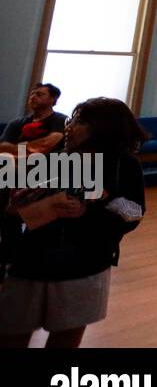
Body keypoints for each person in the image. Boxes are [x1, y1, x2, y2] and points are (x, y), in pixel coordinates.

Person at [0, 97, 147, 348]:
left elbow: (133, 212)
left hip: (85, 263)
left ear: (101, 128)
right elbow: (11, 208)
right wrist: (18, 206)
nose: (69, 127)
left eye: (78, 122)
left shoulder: (124, 166)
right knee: (12, 331)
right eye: (72, 119)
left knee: (66, 336)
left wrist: (87, 213)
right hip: (31, 259)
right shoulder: (54, 158)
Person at [1, 84, 66, 156]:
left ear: (52, 99)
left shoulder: (61, 120)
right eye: (31, 94)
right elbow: (2, 147)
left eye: (39, 94)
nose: (33, 97)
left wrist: (18, 149)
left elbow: (46, 144)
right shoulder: (16, 122)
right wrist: (27, 150)